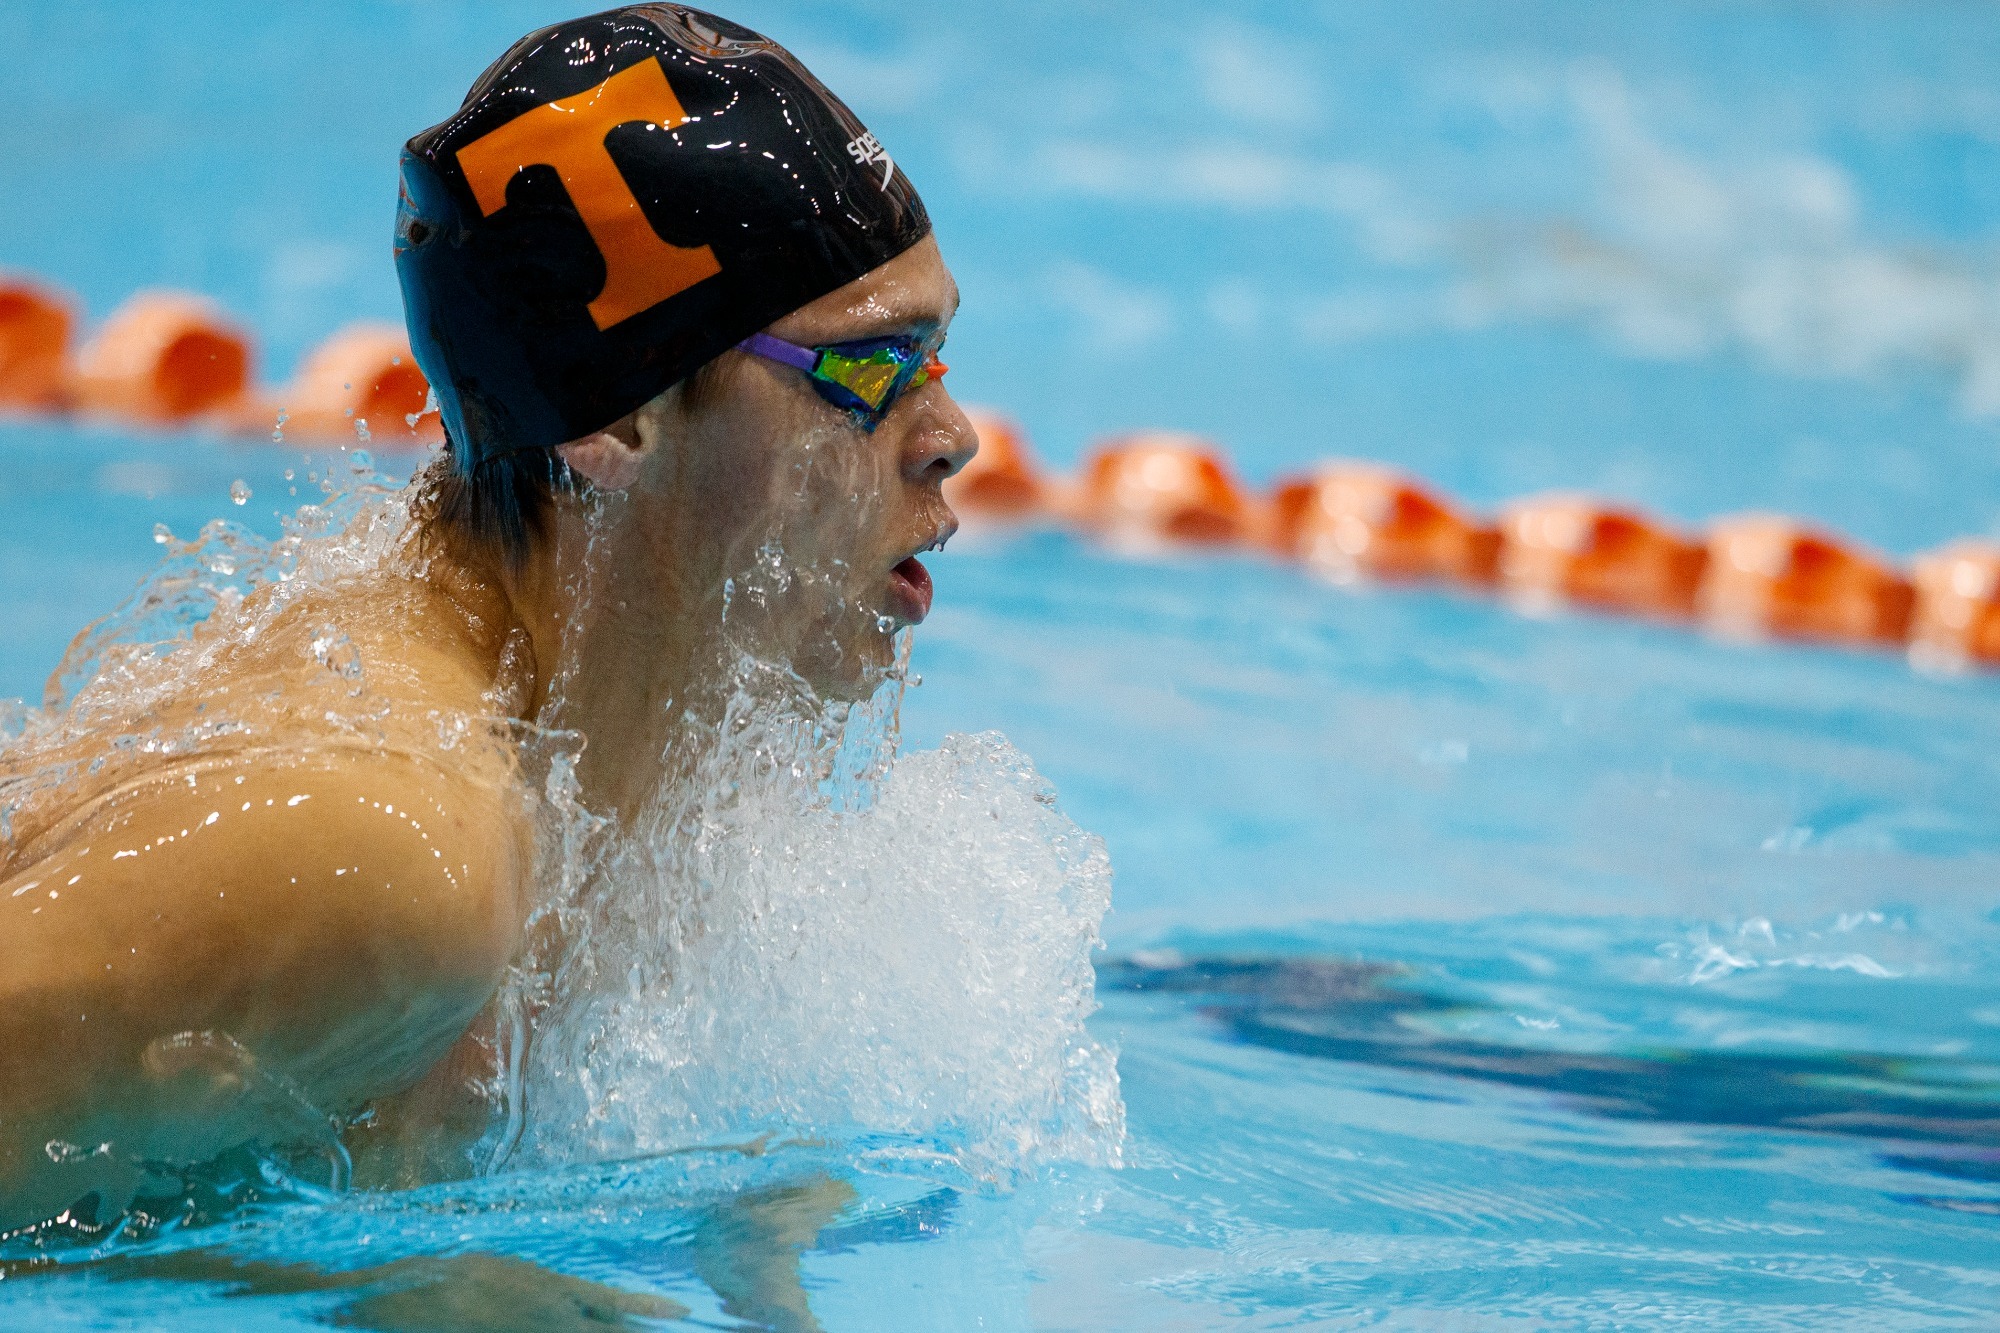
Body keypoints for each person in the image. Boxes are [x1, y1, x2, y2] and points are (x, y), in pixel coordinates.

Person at [0, 4, 974, 1234]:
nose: (952, 437)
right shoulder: (385, 849)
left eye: (934, 360)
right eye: (870, 369)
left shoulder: (613, 744)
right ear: (617, 422)